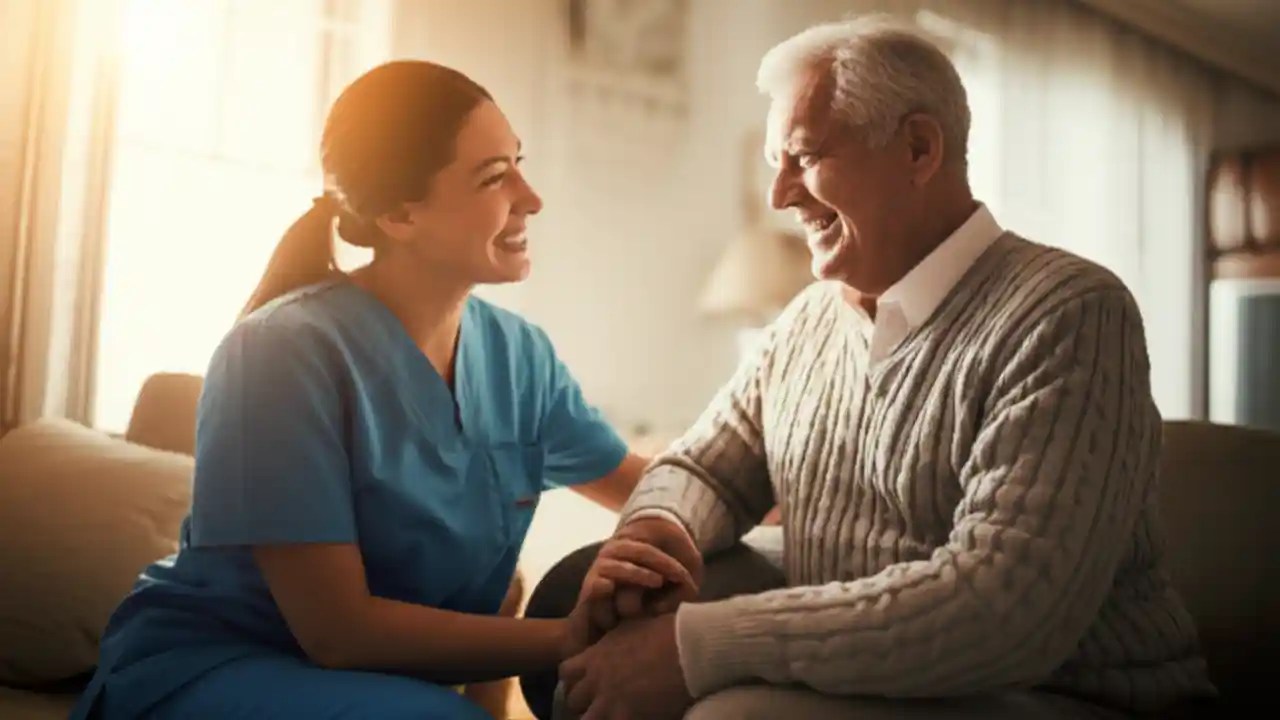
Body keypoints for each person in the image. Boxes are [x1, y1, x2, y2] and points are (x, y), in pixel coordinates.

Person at [532, 16, 1220, 720]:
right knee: (571, 599)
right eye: (777, 163)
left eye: (803, 156)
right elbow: (704, 467)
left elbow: (1004, 608)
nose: (781, 195)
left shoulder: (1069, 312)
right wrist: (654, 533)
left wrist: (700, 646)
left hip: (1062, 689)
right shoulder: (808, 320)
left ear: (918, 148)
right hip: (883, 674)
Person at [68, 60, 696, 720]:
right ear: (400, 213)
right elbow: (339, 634)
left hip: (389, 690)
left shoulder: (521, 357)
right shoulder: (280, 352)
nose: (530, 196)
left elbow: (651, 486)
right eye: (493, 177)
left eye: (519, 162)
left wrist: (777, 500)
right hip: (213, 670)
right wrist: (568, 637)